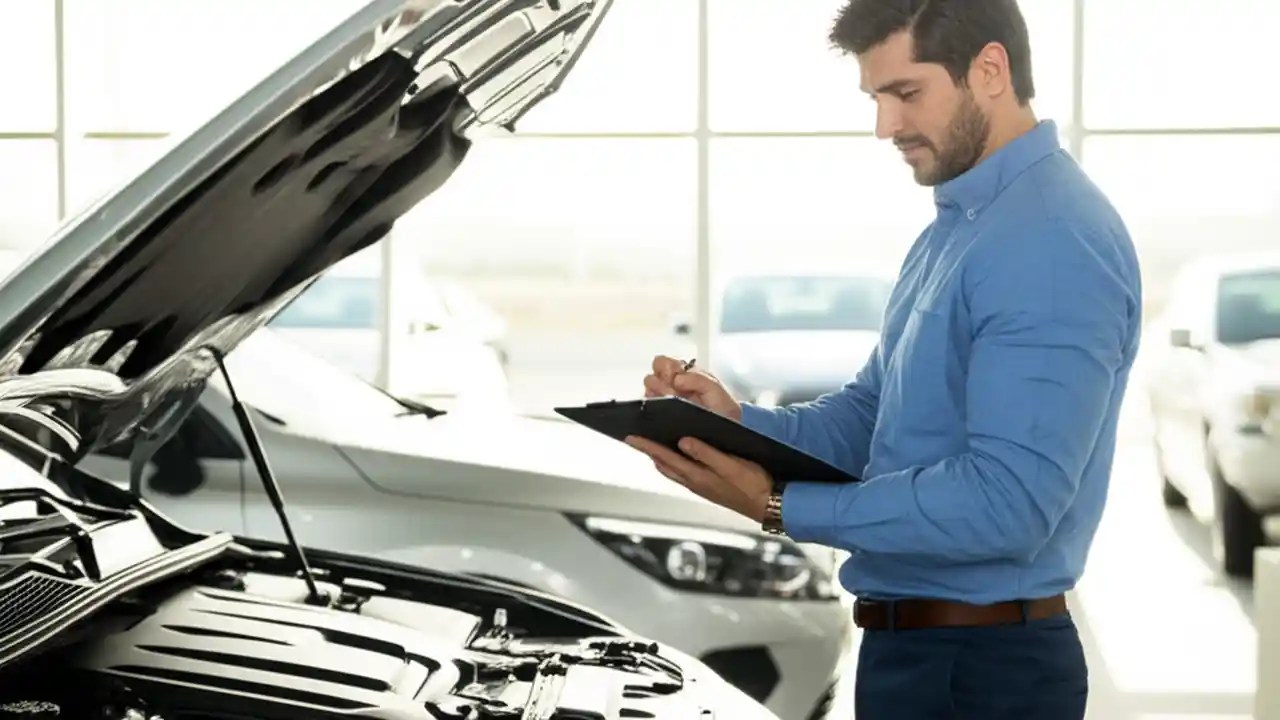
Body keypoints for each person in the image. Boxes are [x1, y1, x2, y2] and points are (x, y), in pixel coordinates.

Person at [628, 1, 1142, 718]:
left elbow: (1009, 505)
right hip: (924, 655)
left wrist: (778, 505)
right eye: (877, 98)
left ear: (989, 70)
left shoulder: (1050, 240)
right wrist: (738, 423)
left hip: (982, 672)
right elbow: (876, 415)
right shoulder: (960, 228)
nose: (886, 127)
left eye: (907, 94)